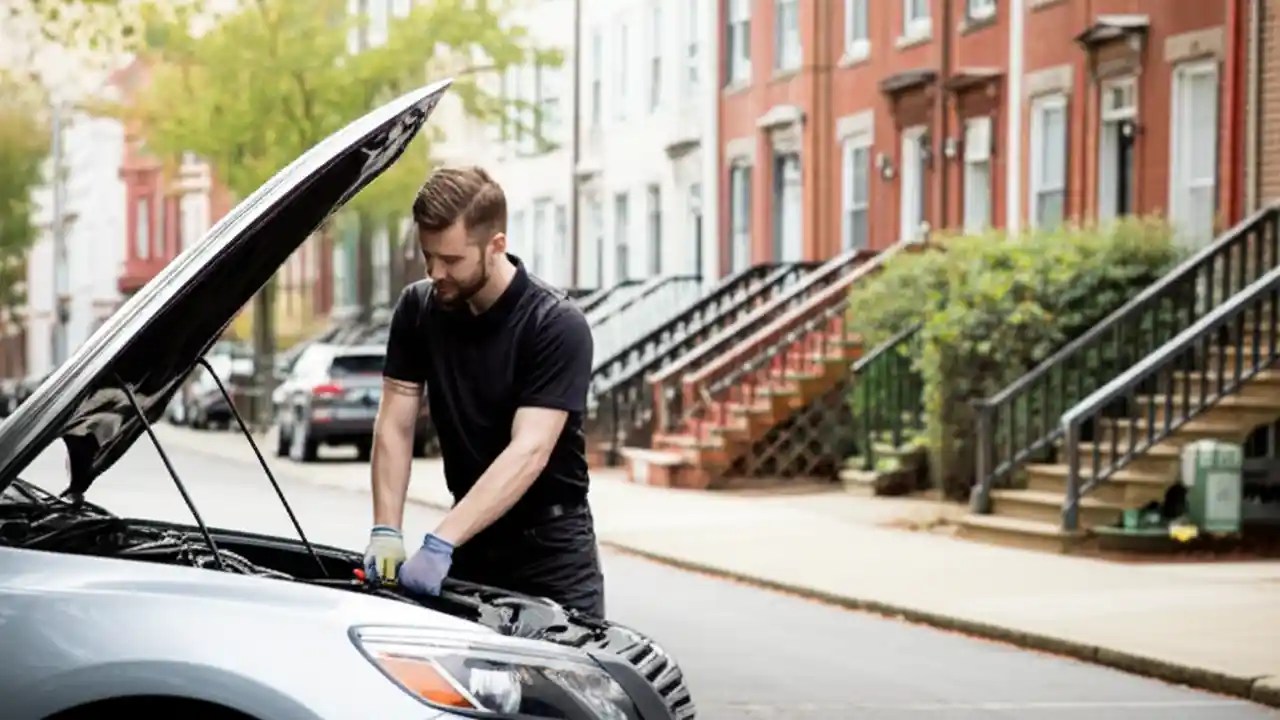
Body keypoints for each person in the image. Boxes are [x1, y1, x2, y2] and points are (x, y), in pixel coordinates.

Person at [362, 165, 606, 618]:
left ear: (496, 246)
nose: (435, 272)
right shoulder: (418, 310)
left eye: (451, 260)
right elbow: (395, 425)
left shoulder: (554, 324)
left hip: (550, 555)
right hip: (469, 544)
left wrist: (440, 542)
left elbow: (528, 452)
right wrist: (386, 529)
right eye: (427, 256)